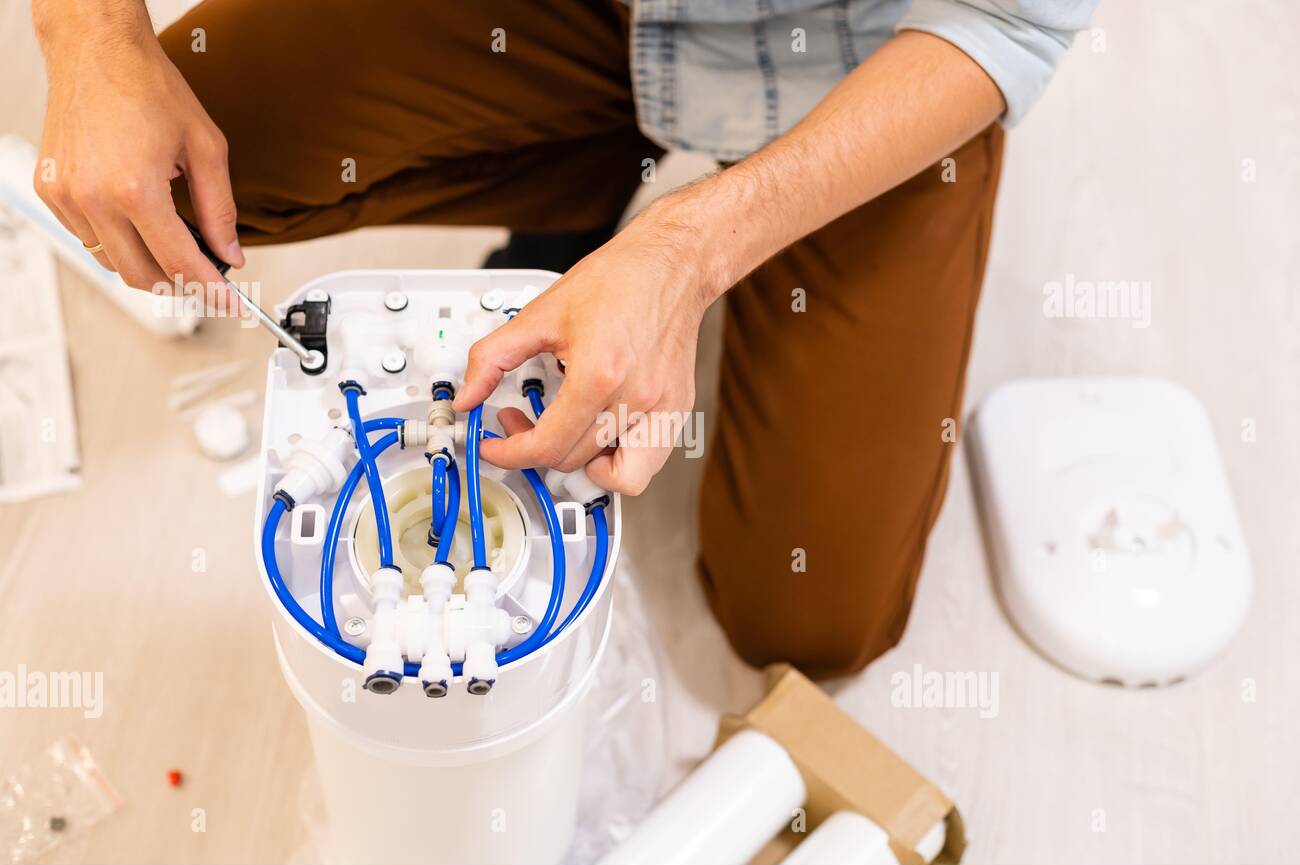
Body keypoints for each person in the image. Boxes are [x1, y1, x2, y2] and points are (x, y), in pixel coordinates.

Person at [31, 0, 1095, 677]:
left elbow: (1010, 19)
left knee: (806, 619)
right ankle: (588, 189)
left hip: (864, 50)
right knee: (169, 169)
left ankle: (657, 209)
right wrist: (87, 37)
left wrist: (690, 253)